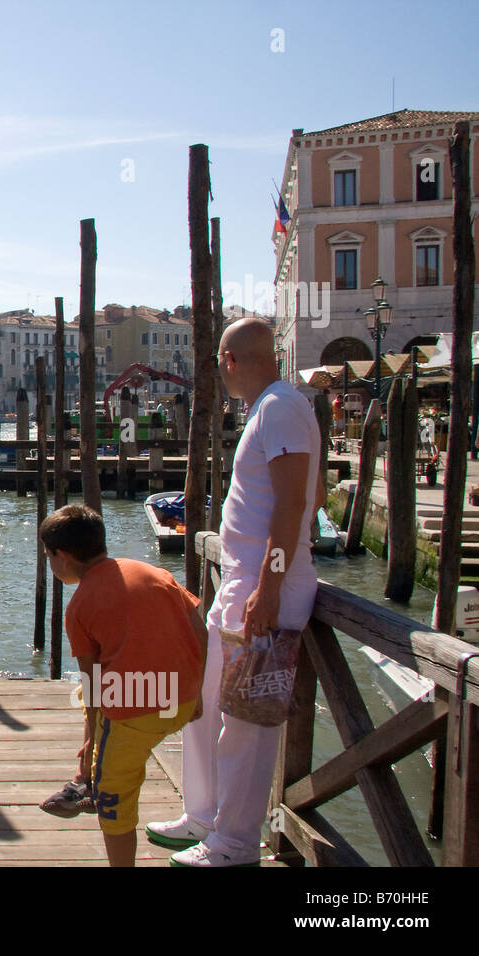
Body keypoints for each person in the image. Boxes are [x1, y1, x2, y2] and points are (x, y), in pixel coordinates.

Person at [149, 317, 322, 867]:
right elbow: (307, 499)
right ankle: (204, 814)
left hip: (264, 588)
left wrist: (270, 584)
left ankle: (236, 843)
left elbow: (296, 505)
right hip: (243, 583)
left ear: (228, 360)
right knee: (206, 706)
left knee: (246, 720)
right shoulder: (271, 407)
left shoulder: (281, 407)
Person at [36, 504, 207, 867]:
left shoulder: (79, 606)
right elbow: (198, 626)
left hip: (134, 713)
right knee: (104, 700)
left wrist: (90, 739)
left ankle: (94, 789)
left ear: (62, 556)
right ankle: (87, 777)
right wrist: (200, 690)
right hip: (182, 700)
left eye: (48, 556)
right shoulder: (152, 572)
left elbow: (93, 682)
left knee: (116, 797)